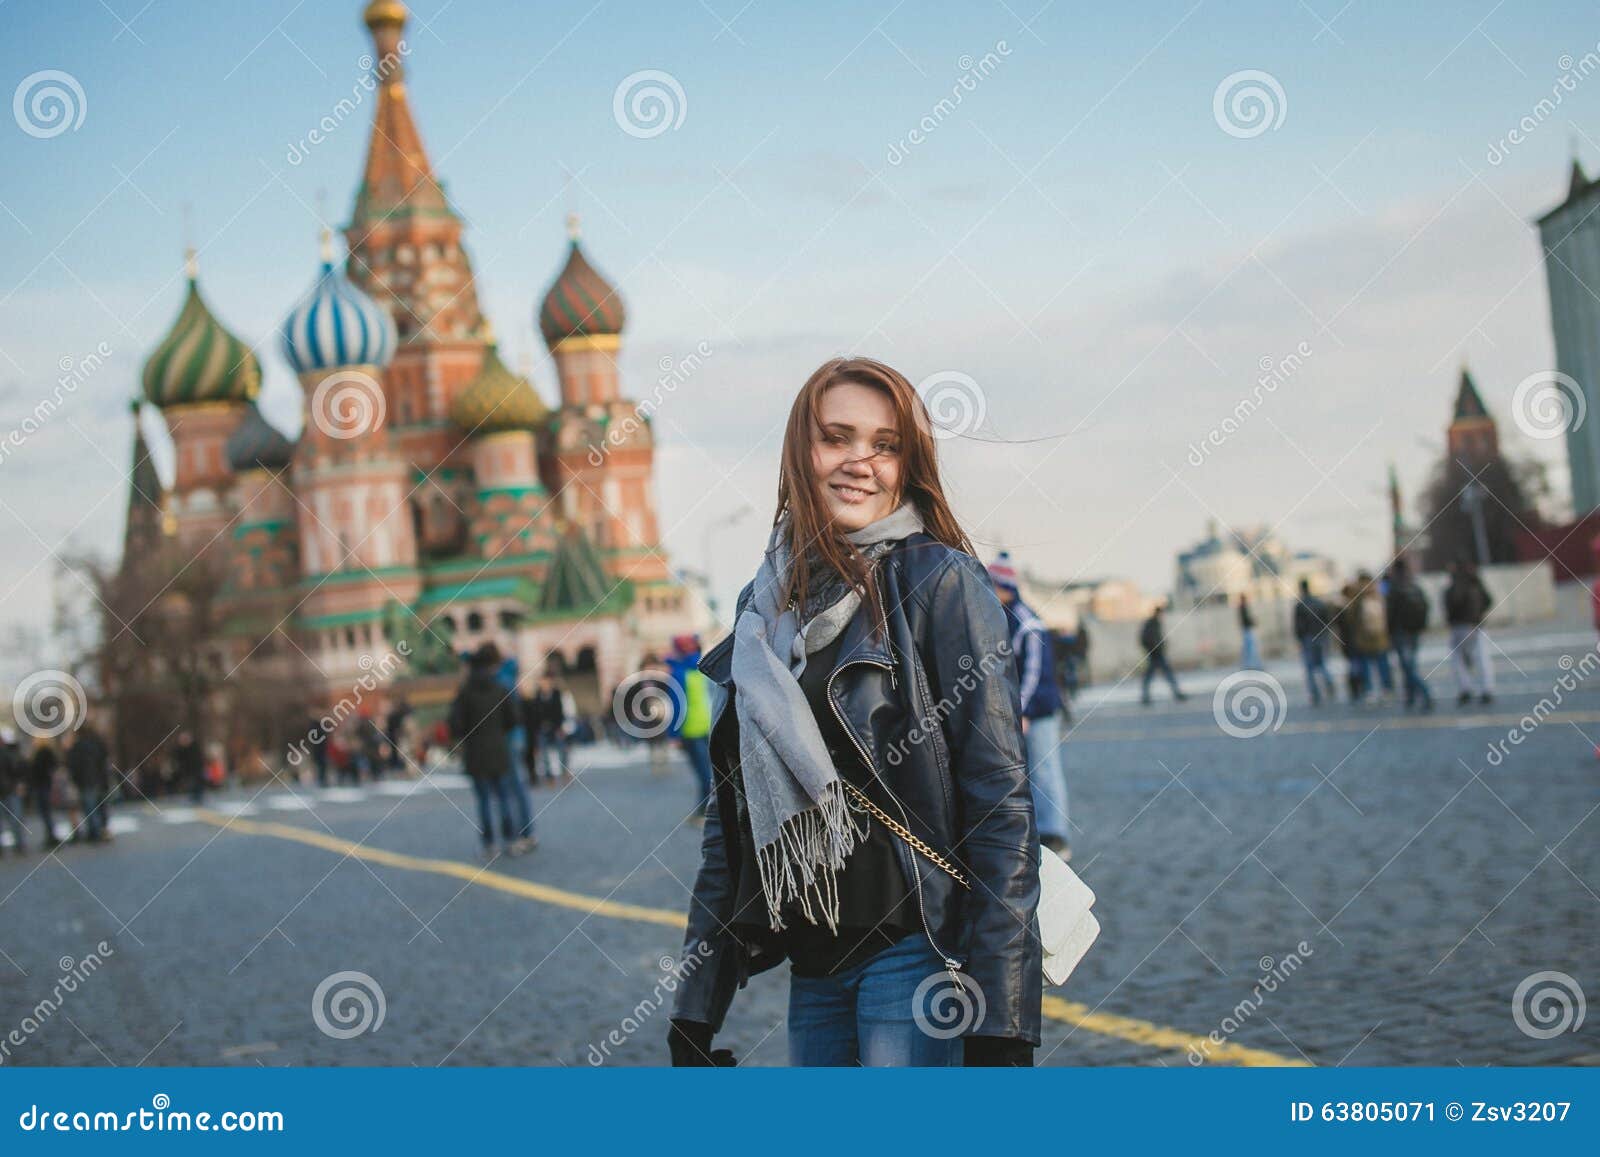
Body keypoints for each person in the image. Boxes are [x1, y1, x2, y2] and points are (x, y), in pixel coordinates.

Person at [669, 356, 1041, 1068]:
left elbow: (1001, 803)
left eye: (885, 443)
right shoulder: (764, 607)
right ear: (800, 452)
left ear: (909, 462)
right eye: (836, 437)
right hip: (813, 970)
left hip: (914, 954)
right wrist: (697, 1005)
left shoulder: (939, 581)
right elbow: (733, 822)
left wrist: (1004, 1014)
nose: (859, 461)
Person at [988, 552, 1071, 859]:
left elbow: (1034, 673)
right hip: (1025, 711)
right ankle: (1037, 832)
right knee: (1030, 772)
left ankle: (1056, 835)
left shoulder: (1027, 622)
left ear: (1003, 585)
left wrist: (1021, 711)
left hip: (1039, 711)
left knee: (1045, 770)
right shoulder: (1005, 616)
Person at [449, 643, 535, 858]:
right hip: (499, 748)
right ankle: (512, 839)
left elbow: (456, 724)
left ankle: (489, 844)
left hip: (475, 752)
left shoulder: (465, 692)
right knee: (506, 796)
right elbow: (513, 719)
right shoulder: (500, 688)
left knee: (484, 800)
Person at [665, 634, 714, 820]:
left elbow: (677, 706)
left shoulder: (678, 673)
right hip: (709, 725)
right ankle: (706, 813)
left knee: (703, 774)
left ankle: (704, 814)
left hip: (690, 730)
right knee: (710, 772)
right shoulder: (705, 668)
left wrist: (673, 734)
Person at [1385, 557, 1433, 712]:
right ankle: (1410, 696)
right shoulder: (1413, 584)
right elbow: (1426, 605)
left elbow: (1390, 613)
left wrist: (1389, 632)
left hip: (1400, 632)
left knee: (1407, 667)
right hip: (1414, 632)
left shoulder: (1394, 587)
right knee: (1410, 664)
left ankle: (1425, 693)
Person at [1444, 560, 1495, 706]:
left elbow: (1451, 606)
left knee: (1460, 660)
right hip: (1477, 626)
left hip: (1461, 627)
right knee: (1482, 659)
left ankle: (1466, 689)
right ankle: (1486, 689)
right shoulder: (1476, 584)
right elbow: (1488, 600)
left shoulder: (1455, 587)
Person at [66, 720, 113, 843]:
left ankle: (95, 832)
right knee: (100, 806)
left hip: (86, 781)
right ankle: (102, 830)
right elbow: (105, 762)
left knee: (90, 808)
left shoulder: (77, 747)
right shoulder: (98, 744)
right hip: (99, 780)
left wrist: (76, 780)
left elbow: (72, 765)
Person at [1292, 579, 1337, 705]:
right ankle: (1328, 681)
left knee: (1309, 668)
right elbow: (1328, 620)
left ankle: (1315, 693)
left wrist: (1299, 639)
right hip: (1321, 637)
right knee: (1322, 663)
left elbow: (1297, 626)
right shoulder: (1319, 603)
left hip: (1307, 638)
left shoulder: (1300, 605)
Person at [1351, 571, 1393, 703]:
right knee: (1377, 666)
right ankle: (1381, 689)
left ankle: (1377, 690)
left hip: (1370, 639)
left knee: (1374, 666)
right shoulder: (1375, 596)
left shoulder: (1365, 598)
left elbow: (1352, 619)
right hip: (1374, 638)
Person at [527, 674, 572, 783]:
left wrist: (560, 727)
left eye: (546, 682)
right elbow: (535, 714)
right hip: (542, 728)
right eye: (542, 682)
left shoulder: (557, 694)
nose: (544, 685)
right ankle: (549, 776)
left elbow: (561, 712)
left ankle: (564, 772)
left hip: (556, 727)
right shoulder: (537, 696)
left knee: (563, 750)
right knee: (544, 753)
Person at [1139, 601, 1186, 705]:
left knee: (1161, 674)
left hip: (1157, 653)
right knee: (1157, 675)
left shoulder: (1155, 623)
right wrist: (1152, 649)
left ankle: (1146, 696)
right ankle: (1146, 696)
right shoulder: (1151, 623)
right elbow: (1146, 639)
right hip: (1155, 654)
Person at [29, 739, 61, 849]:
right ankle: (51, 836)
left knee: (46, 813)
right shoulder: (41, 753)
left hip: (44, 786)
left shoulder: (43, 753)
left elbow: (44, 769)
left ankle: (52, 836)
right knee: (46, 813)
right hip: (42, 785)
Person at [0, 728, 27, 856]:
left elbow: (16, 770)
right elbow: (18, 770)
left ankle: (18, 845)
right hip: (10, 789)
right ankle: (19, 845)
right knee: (15, 819)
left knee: (14, 819)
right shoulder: (10, 753)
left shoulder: (7, 754)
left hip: (8, 790)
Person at [169, 730, 205, 805]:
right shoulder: (180, 750)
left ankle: (197, 798)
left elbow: (198, 761)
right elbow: (178, 760)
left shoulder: (194, 748)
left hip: (196, 771)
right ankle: (193, 797)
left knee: (197, 784)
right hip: (188, 772)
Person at [1238, 593, 1261, 670]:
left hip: (1247, 629)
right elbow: (1246, 619)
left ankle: (1249, 664)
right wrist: (1253, 622)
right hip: (1247, 629)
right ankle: (1251, 665)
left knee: (1249, 648)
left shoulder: (1243, 607)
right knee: (1250, 648)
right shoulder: (1242, 607)